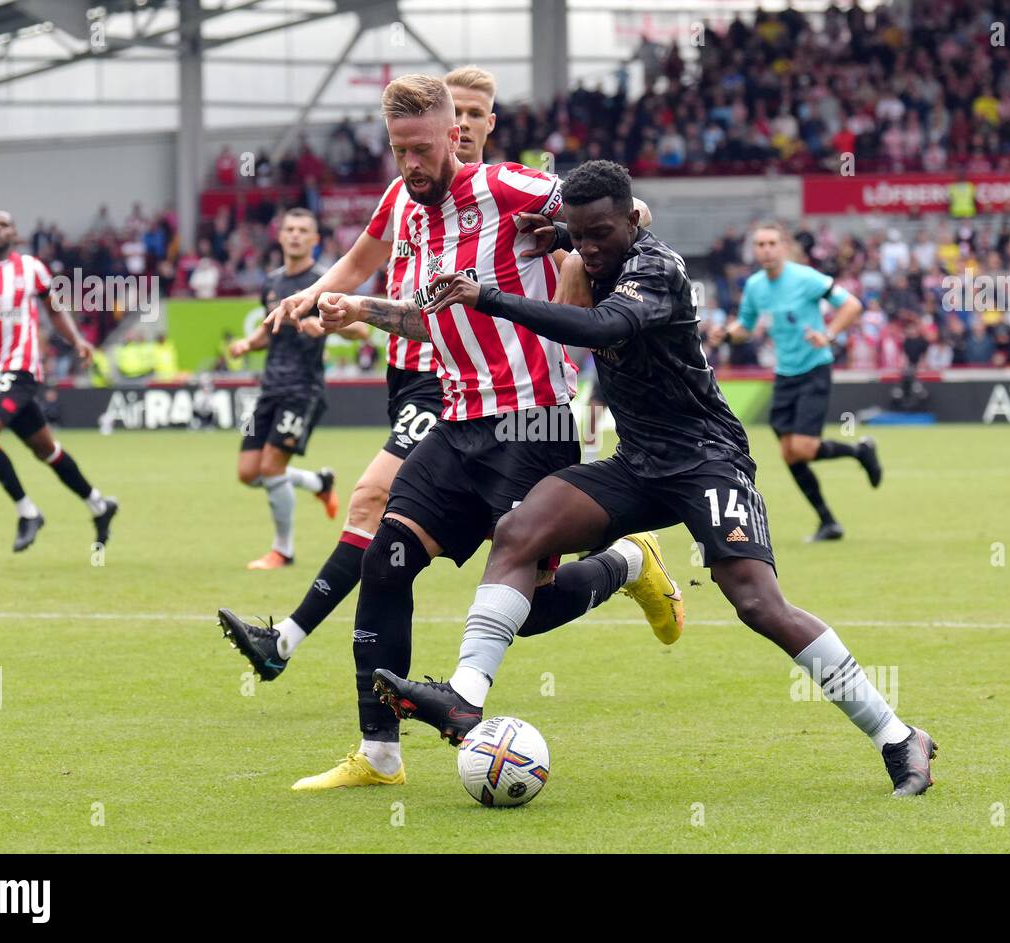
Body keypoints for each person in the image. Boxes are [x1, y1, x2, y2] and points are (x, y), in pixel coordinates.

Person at [366, 161, 937, 797]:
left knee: (756, 603)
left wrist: (489, 295)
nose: (588, 247)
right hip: (637, 462)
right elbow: (580, 246)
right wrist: (558, 235)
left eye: (600, 233)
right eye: (578, 235)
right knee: (519, 531)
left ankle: (897, 735)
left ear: (632, 218)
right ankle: (464, 698)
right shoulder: (592, 249)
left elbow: (602, 328)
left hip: (704, 458)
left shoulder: (657, 267)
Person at [248, 74, 678, 794]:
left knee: (528, 606)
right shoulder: (410, 214)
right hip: (457, 422)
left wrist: (572, 235)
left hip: (534, 424)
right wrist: (362, 308)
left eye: (422, 148)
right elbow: (433, 319)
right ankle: (379, 755)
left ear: (455, 135)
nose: (410, 164)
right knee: (385, 559)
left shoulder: (509, 186)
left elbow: (629, 211)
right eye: (398, 151)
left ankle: (627, 566)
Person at [0, 210, 117, 552]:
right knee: (46, 449)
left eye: (3, 224)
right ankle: (99, 504)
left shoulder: (31, 268)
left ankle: (28, 511)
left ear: (14, 234)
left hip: (21, 368)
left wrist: (77, 341)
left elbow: (54, 310)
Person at [724, 224, 881, 542]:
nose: (766, 249)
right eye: (760, 244)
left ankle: (859, 451)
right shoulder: (755, 286)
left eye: (771, 243)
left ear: (783, 247)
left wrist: (829, 334)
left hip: (814, 370)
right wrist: (726, 333)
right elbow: (746, 327)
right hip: (785, 375)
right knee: (790, 454)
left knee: (804, 447)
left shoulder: (806, 278)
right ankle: (828, 522)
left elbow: (851, 305)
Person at [226, 208, 341, 569]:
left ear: (314, 239)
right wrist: (248, 343)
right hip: (270, 386)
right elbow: (267, 329)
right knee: (248, 472)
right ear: (280, 236)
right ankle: (318, 482)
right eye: (289, 229)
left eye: (302, 230)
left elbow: (357, 327)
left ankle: (283, 551)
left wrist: (321, 326)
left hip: (303, 389)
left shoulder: (324, 282)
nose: (294, 235)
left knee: (272, 467)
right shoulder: (272, 282)